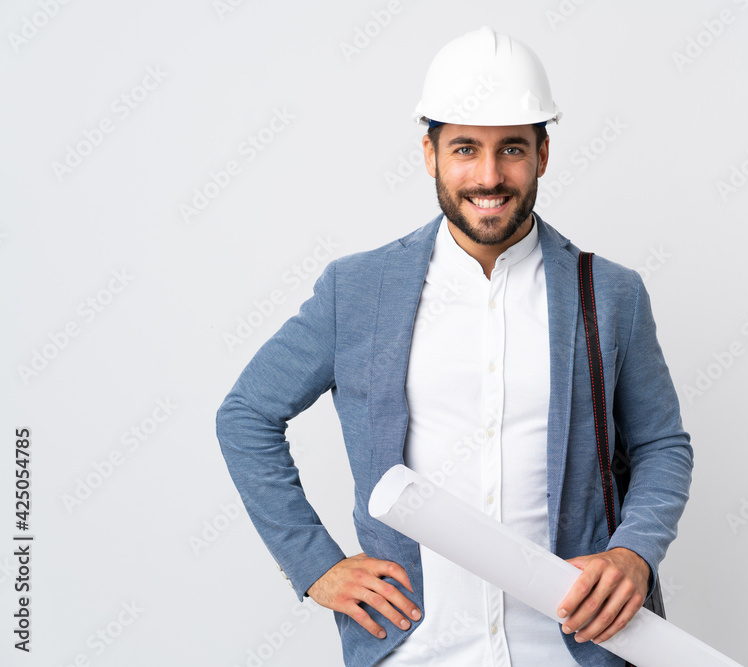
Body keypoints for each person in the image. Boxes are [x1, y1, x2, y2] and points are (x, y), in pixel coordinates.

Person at [216, 26, 693, 667]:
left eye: (512, 150)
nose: (489, 176)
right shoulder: (357, 290)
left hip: (576, 647)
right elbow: (246, 415)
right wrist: (314, 564)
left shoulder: (609, 294)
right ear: (430, 152)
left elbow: (662, 444)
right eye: (466, 149)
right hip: (414, 648)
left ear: (543, 154)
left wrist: (634, 552)